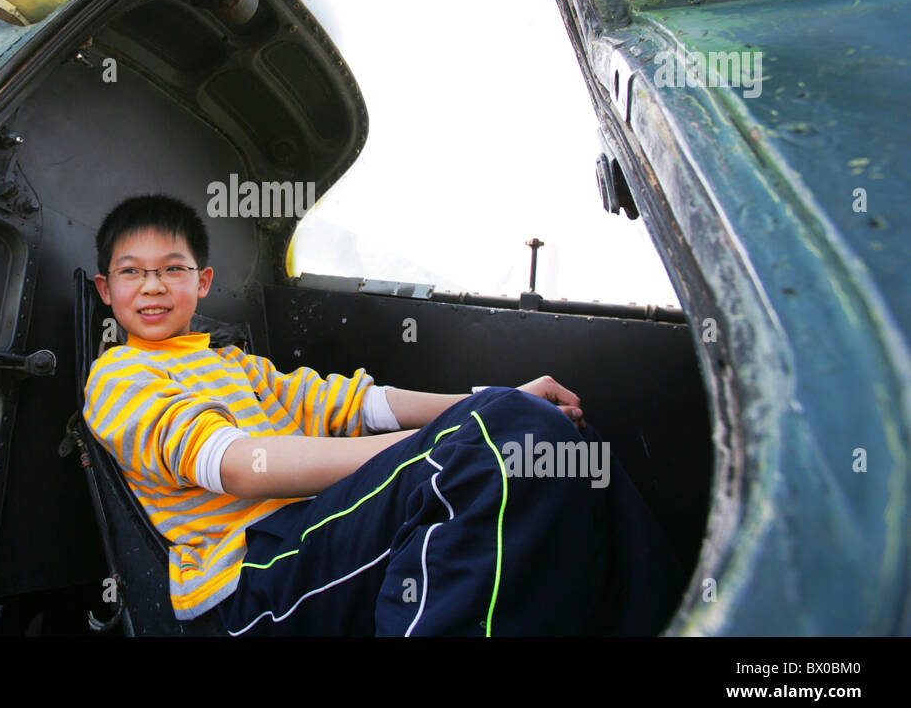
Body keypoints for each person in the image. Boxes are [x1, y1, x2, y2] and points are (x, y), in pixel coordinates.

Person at [83, 194, 686, 635]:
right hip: (247, 579)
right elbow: (239, 467)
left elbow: (358, 404)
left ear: (203, 281)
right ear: (106, 290)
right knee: (492, 439)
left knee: (562, 443)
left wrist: (491, 399)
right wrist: (451, 440)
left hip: (307, 535)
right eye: (131, 272)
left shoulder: (236, 364)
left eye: (172, 269)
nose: (153, 286)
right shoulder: (118, 378)